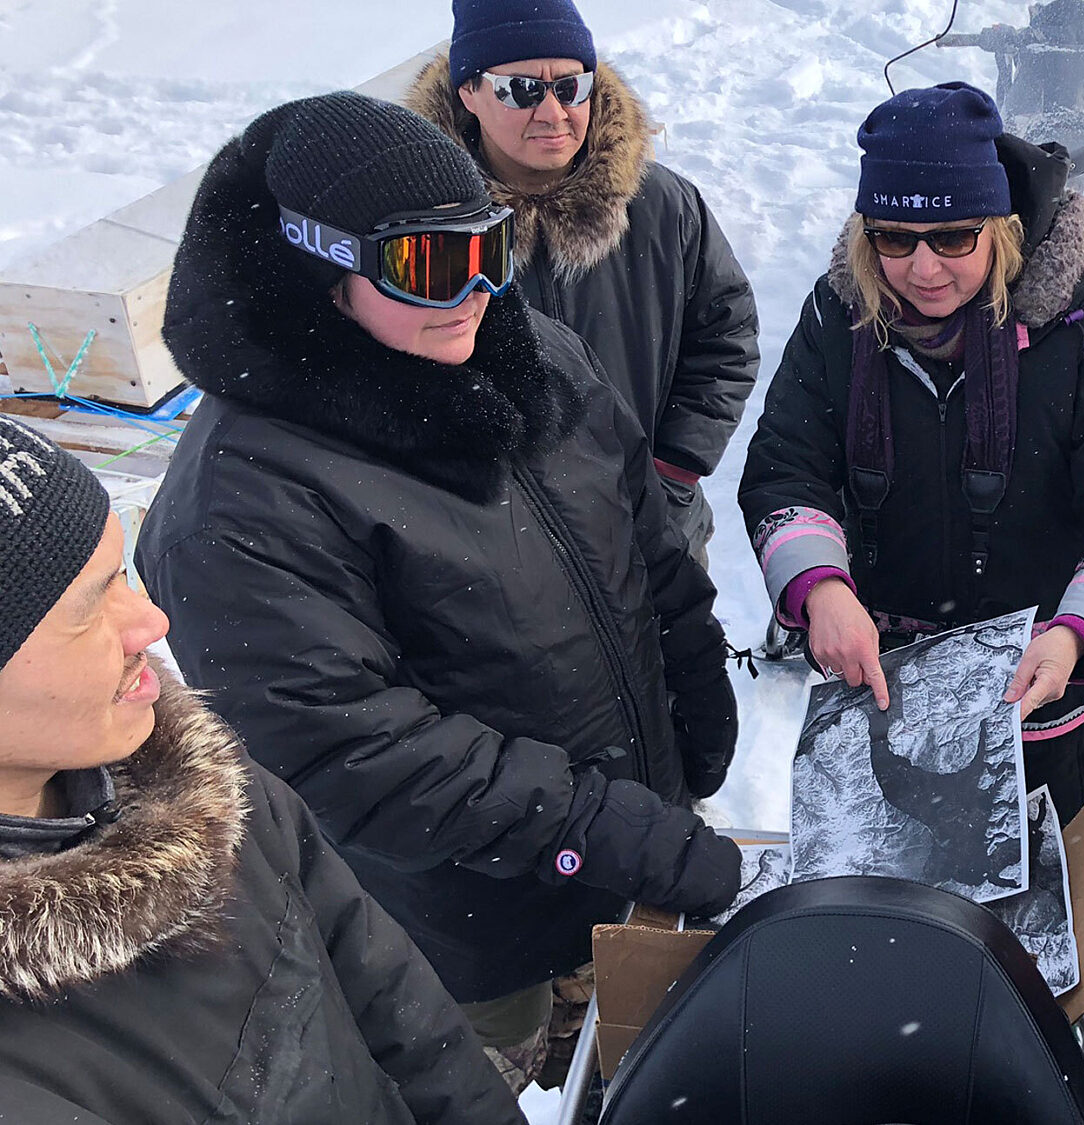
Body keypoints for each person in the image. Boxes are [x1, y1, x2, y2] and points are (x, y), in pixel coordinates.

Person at [134, 92, 742, 1093]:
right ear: (317, 267)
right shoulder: (237, 498)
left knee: (640, 1082)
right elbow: (355, 749)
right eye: (426, 263)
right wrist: (602, 828)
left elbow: (646, 546)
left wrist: (694, 688)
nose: (471, 292)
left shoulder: (533, 359)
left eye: (490, 249)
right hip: (455, 931)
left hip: (624, 857)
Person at [0, 417, 522, 1124]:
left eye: (119, 574)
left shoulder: (187, 778)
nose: (151, 623)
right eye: (86, 610)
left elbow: (389, 998)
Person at [739, 82, 1084, 859]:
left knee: (1048, 940)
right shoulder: (834, 319)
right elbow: (786, 470)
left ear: (1000, 230)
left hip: (1046, 695)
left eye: (952, 238)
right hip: (885, 693)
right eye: (894, 237)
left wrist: (1081, 633)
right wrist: (822, 590)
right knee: (890, 931)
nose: (922, 268)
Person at [407, 0, 760, 564]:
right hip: (495, 551)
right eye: (521, 90)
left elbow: (726, 334)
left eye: (572, 87)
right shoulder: (422, 223)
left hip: (654, 534)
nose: (553, 112)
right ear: (467, 93)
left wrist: (670, 470)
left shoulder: (662, 206)